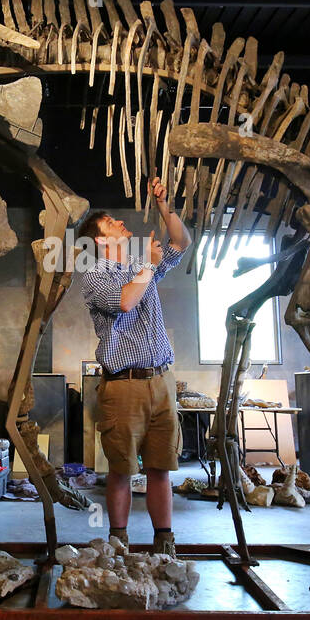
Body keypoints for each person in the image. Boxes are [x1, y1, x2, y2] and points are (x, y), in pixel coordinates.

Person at [77, 176, 191, 555]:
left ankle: (164, 542)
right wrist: (149, 268)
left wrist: (165, 207)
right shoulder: (94, 276)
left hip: (160, 381)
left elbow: (181, 243)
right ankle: (119, 541)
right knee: (122, 470)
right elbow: (126, 301)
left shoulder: (144, 265)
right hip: (122, 386)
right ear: (100, 241)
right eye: (112, 223)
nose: (122, 224)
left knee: (161, 468)